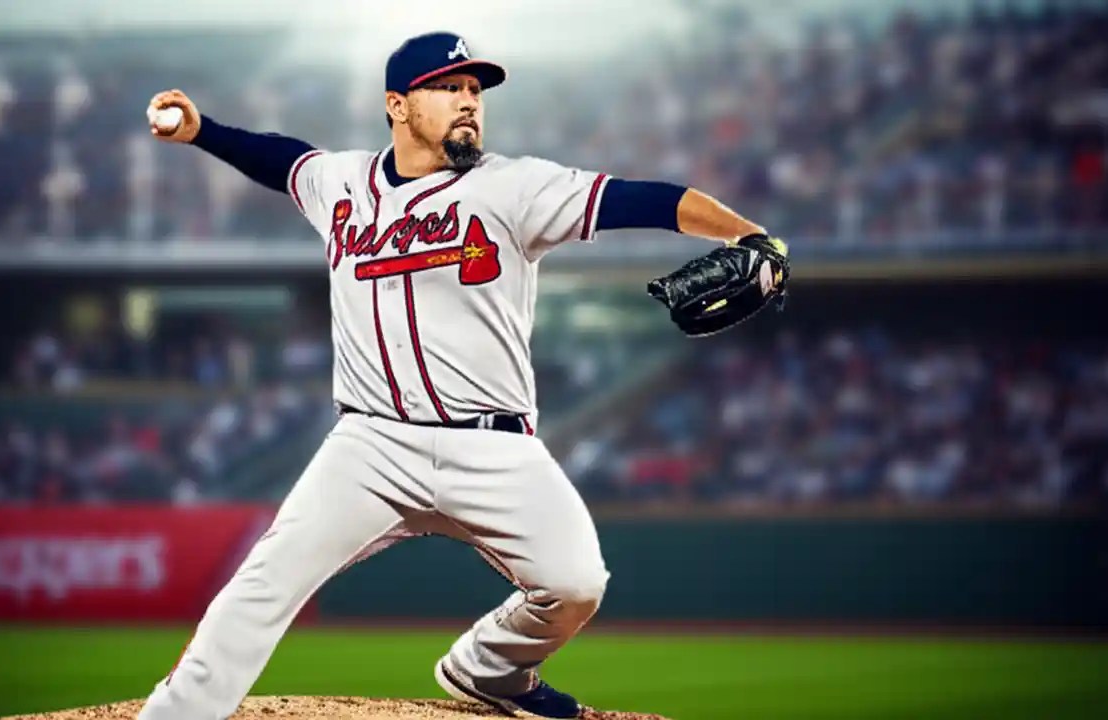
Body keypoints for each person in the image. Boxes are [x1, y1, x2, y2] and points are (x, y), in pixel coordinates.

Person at [139, 31, 769, 720]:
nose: (469, 102)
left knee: (578, 584)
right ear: (398, 105)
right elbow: (278, 157)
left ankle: (491, 668)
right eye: (449, 88)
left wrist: (747, 235)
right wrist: (202, 131)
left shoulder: (514, 187)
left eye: (475, 91)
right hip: (369, 447)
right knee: (260, 587)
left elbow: (643, 199)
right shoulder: (339, 183)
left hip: (494, 448)